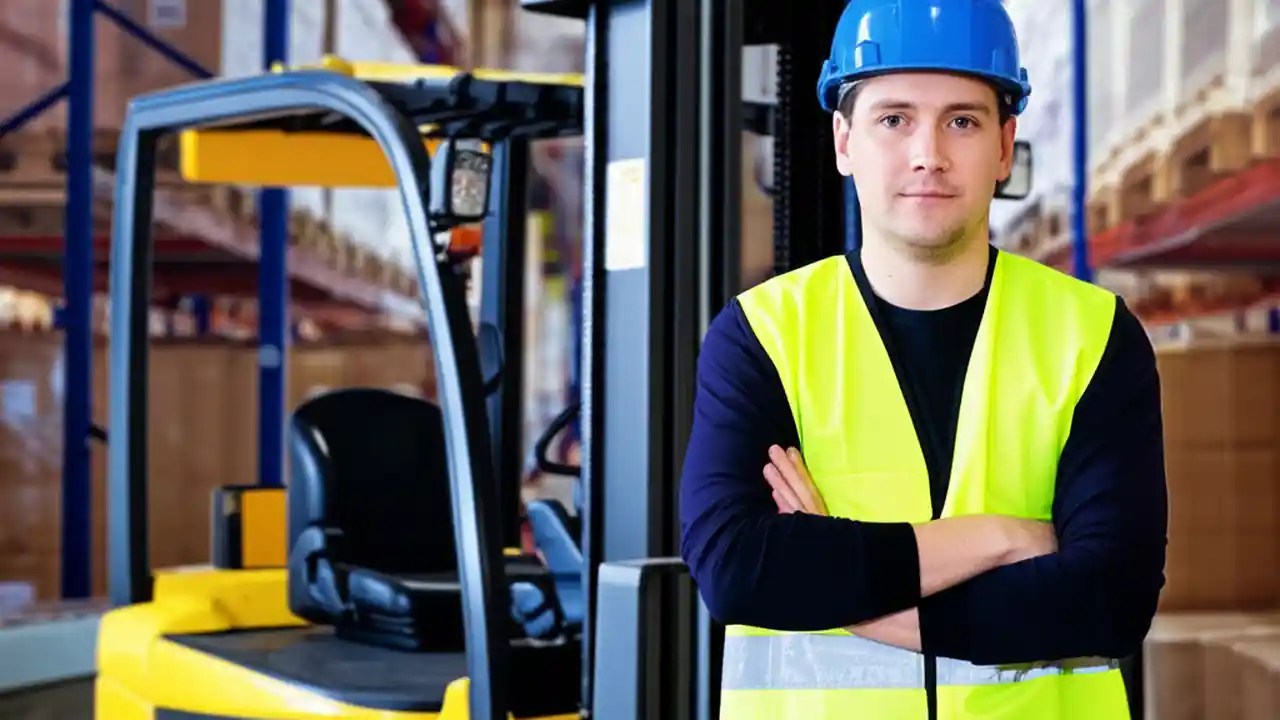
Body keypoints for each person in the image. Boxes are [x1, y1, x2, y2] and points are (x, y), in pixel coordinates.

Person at [677, 1, 1168, 719]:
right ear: (844, 141)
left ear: (1005, 145)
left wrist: (851, 600)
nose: (928, 154)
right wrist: (1002, 538)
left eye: (962, 121)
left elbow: (1110, 600)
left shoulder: (1091, 335)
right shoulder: (763, 335)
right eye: (894, 118)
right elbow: (737, 569)